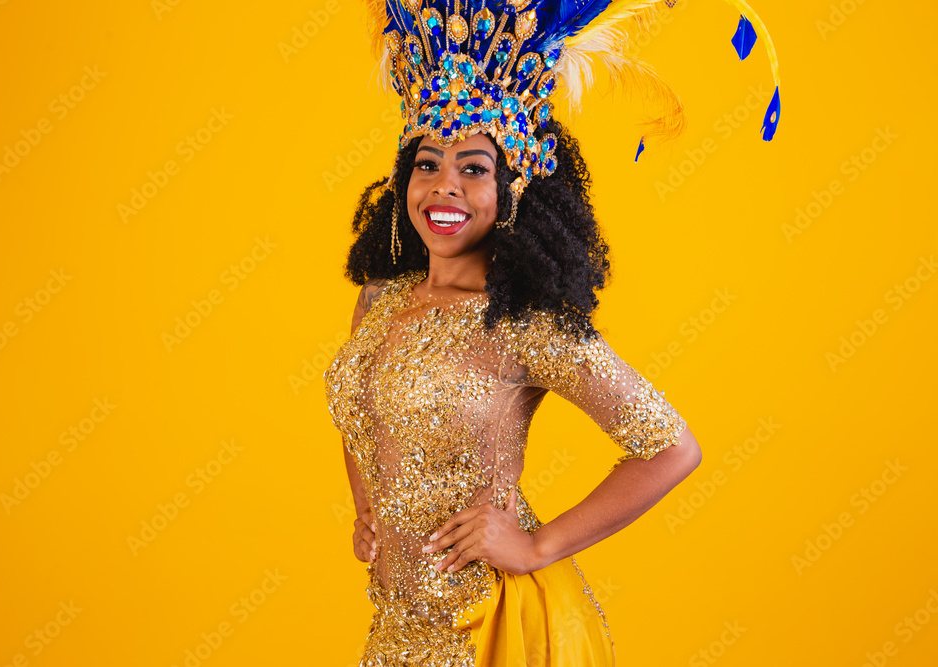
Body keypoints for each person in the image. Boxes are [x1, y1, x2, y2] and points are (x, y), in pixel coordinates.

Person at [324, 1, 781, 664]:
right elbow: (360, 408)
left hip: (486, 629)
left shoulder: (523, 324)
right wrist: (368, 507)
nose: (444, 187)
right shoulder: (380, 299)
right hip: (394, 630)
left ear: (515, 187)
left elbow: (673, 448)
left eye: (474, 169)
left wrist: (536, 546)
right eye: (427, 164)